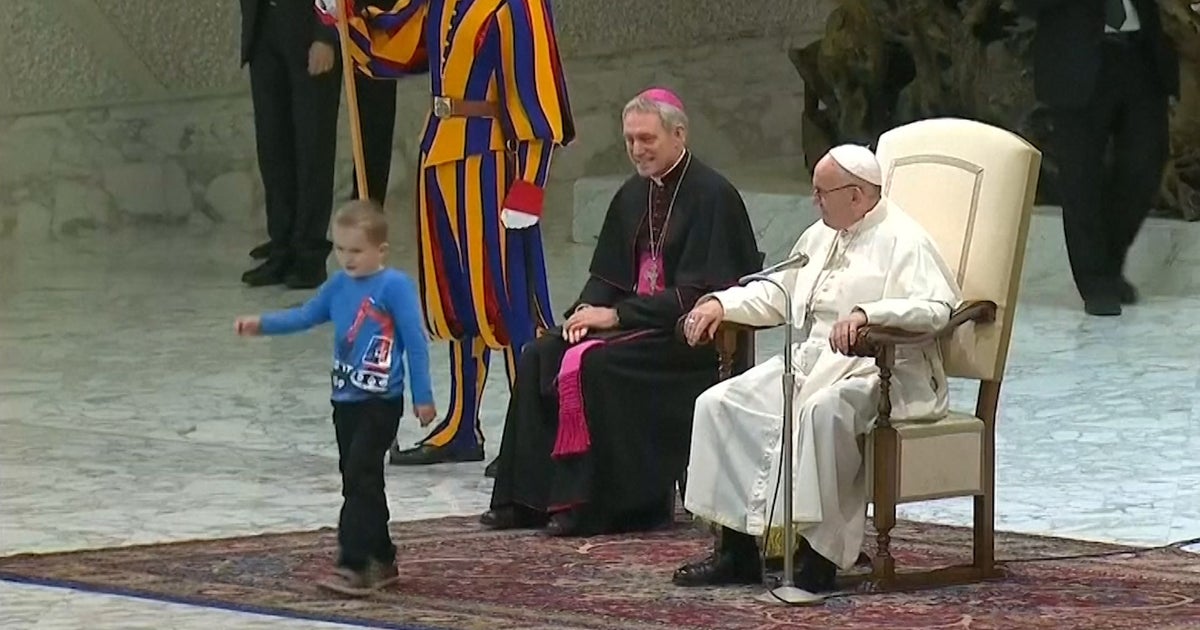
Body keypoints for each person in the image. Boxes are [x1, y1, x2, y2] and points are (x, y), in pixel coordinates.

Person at [673, 145, 962, 592]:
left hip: (882, 371)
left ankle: (818, 557)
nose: (815, 201)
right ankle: (736, 550)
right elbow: (776, 293)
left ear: (857, 194)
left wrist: (869, 315)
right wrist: (720, 303)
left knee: (823, 413)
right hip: (813, 362)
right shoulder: (820, 234)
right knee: (720, 403)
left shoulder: (906, 239)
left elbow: (937, 309)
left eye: (822, 192)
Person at [478, 89, 762, 537]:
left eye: (646, 139)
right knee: (541, 352)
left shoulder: (713, 196)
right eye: (630, 139)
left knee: (596, 364)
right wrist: (586, 309)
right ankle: (527, 499)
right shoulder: (632, 194)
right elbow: (607, 276)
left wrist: (619, 317)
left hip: (686, 341)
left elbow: (706, 291)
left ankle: (600, 506)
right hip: (636, 326)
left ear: (679, 134)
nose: (636, 149)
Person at [314, 0, 575, 468]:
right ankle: (462, 423)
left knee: (509, 295)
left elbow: (539, 96)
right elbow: (395, 45)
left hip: (492, 157)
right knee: (457, 295)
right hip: (438, 151)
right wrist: (348, 12)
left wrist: (530, 187)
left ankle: (530, 428)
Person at [234, 200, 437, 596]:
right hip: (345, 402)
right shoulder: (338, 286)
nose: (347, 258)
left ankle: (354, 563)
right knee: (359, 479)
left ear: (380, 251)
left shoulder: (394, 286)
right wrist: (263, 324)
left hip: (381, 401)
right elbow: (307, 315)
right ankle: (382, 554)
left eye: (356, 251)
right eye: (341, 249)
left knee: (361, 471)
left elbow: (415, 342)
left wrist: (423, 396)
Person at [1014, 0, 1179, 316]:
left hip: (1140, 51)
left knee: (1146, 161)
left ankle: (1109, 262)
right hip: (1076, 59)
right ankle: (1095, 281)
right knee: (1080, 172)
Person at [239, 0, 343, 289]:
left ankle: (309, 254)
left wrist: (325, 35)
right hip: (263, 26)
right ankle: (281, 245)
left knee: (313, 146)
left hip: (308, 27)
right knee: (273, 147)